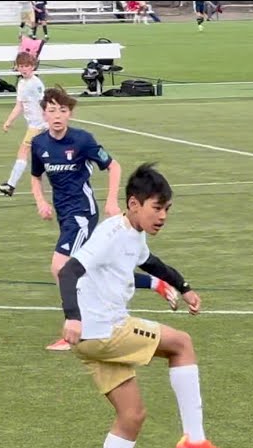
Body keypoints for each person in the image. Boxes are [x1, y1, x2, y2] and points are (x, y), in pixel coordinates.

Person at [56, 163, 231, 448]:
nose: (163, 216)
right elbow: (69, 271)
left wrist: (182, 287)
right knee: (181, 343)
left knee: (131, 415)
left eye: (167, 209)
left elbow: (150, 264)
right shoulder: (110, 233)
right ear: (133, 204)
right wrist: (72, 316)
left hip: (93, 340)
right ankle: (194, 439)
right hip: (105, 331)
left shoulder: (133, 236)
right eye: (157, 207)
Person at [28, 87, 178, 351]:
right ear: (44, 113)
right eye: (51, 110)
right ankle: (155, 282)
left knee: (62, 268)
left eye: (63, 110)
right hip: (64, 214)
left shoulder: (82, 140)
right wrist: (40, 201)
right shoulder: (40, 144)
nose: (57, 116)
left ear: (70, 113)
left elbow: (114, 166)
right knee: (92, 270)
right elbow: (35, 176)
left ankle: (76, 325)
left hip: (82, 213)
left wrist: (110, 200)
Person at [0, 51, 46, 198]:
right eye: (21, 66)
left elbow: (44, 103)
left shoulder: (36, 83)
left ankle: (10, 185)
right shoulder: (22, 83)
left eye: (26, 66)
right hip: (34, 125)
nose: (23, 69)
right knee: (44, 156)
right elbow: (19, 106)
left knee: (23, 152)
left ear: (33, 67)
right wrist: (9, 121)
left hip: (39, 125)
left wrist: (49, 120)